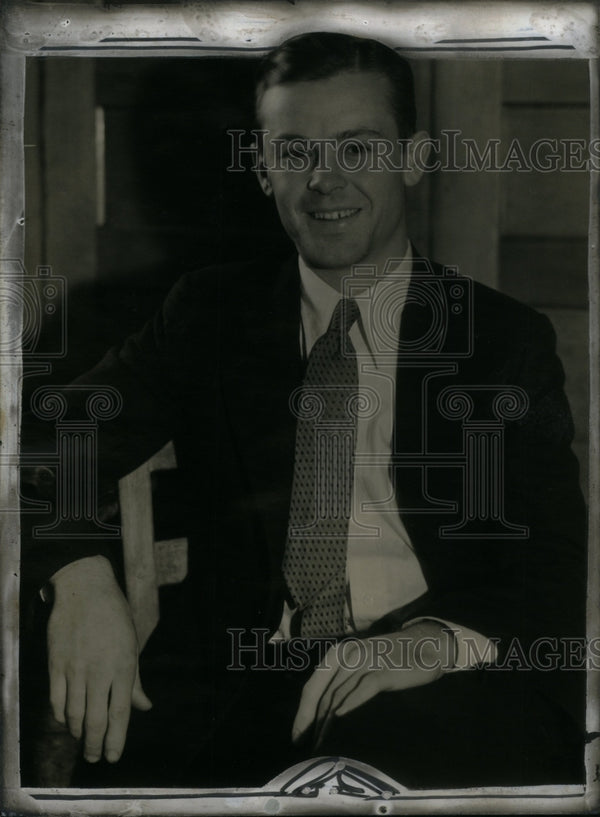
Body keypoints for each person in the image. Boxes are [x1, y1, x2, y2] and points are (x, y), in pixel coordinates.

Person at [21, 32, 587, 789]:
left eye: (358, 149)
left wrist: (427, 642)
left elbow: (552, 564)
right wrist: (78, 570)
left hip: (437, 682)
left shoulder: (500, 342)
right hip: (238, 691)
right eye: (293, 151)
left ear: (413, 159)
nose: (324, 180)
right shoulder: (212, 313)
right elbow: (48, 433)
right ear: (261, 169)